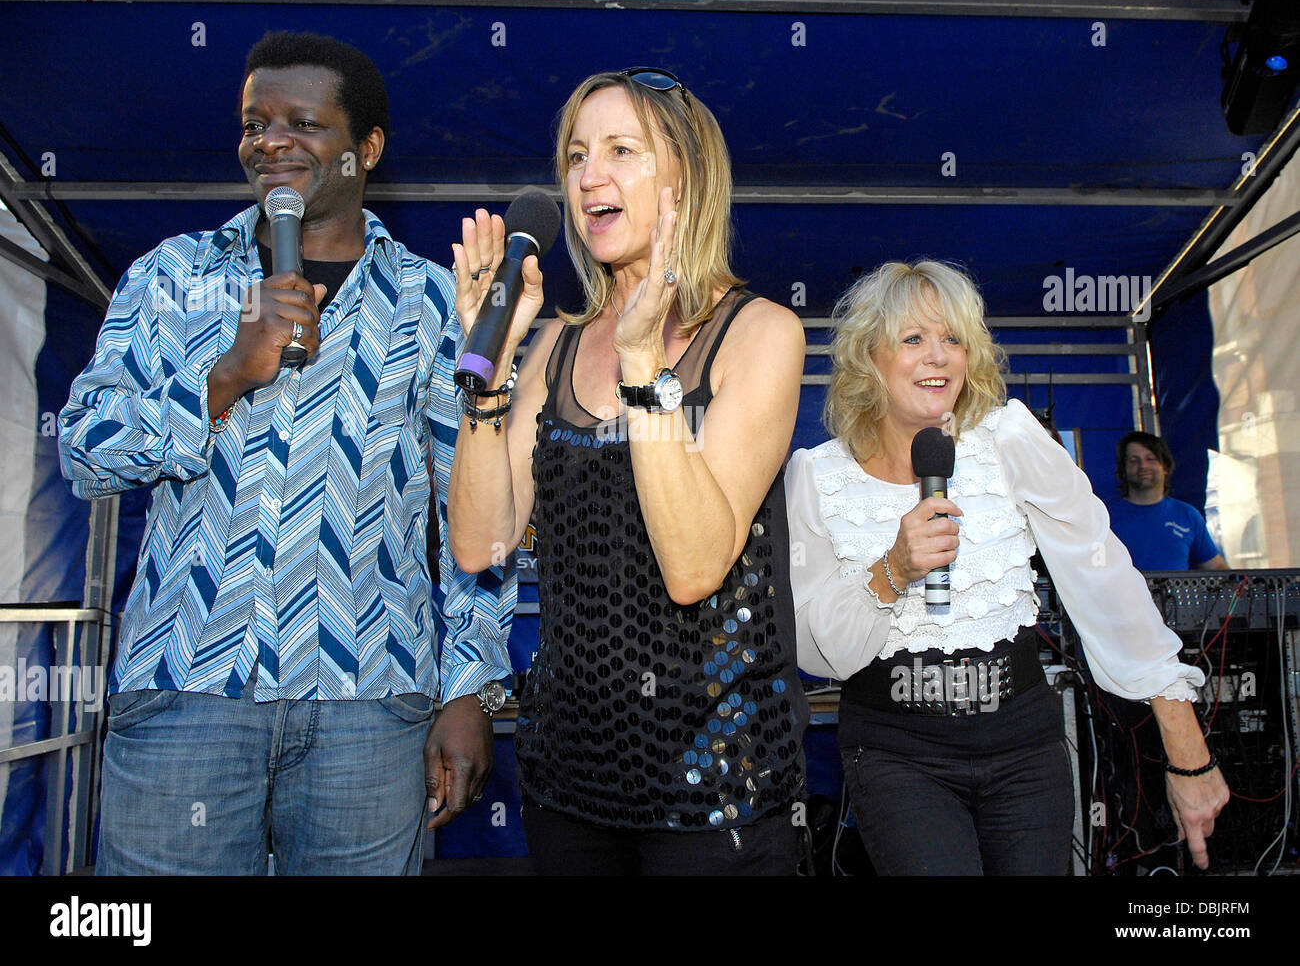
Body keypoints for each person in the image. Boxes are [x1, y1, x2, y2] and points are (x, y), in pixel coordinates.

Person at [58, 32, 513, 875]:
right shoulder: (170, 277)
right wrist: (225, 377)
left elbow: (477, 512)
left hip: (369, 704)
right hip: (186, 693)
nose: (271, 142)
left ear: (365, 149)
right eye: (253, 123)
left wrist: (468, 687)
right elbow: (85, 448)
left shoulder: (429, 303)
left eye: (302, 122)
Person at [447, 68, 809, 874]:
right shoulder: (557, 346)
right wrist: (494, 373)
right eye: (576, 156)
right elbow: (478, 544)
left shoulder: (760, 333)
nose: (588, 177)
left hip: (714, 788)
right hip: (569, 786)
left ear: (685, 174)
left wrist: (646, 365)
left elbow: (693, 567)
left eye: (621, 150)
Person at [786, 260, 1228, 875]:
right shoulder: (817, 476)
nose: (938, 357)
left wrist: (1188, 752)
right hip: (897, 755)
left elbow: (1105, 581)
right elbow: (813, 650)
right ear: (869, 356)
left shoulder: (1010, 437)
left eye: (954, 339)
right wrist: (891, 570)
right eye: (914, 339)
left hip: (1024, 748)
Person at [1107, 431, 1229, 571]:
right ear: (1123, 470)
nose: (1143, 466)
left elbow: (1215, 566)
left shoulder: (1187, 515)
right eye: (1134, 460)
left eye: (1150, 459)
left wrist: (1240, 586)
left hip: (1175, 594)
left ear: (1164, 467)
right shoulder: (1106, 516)